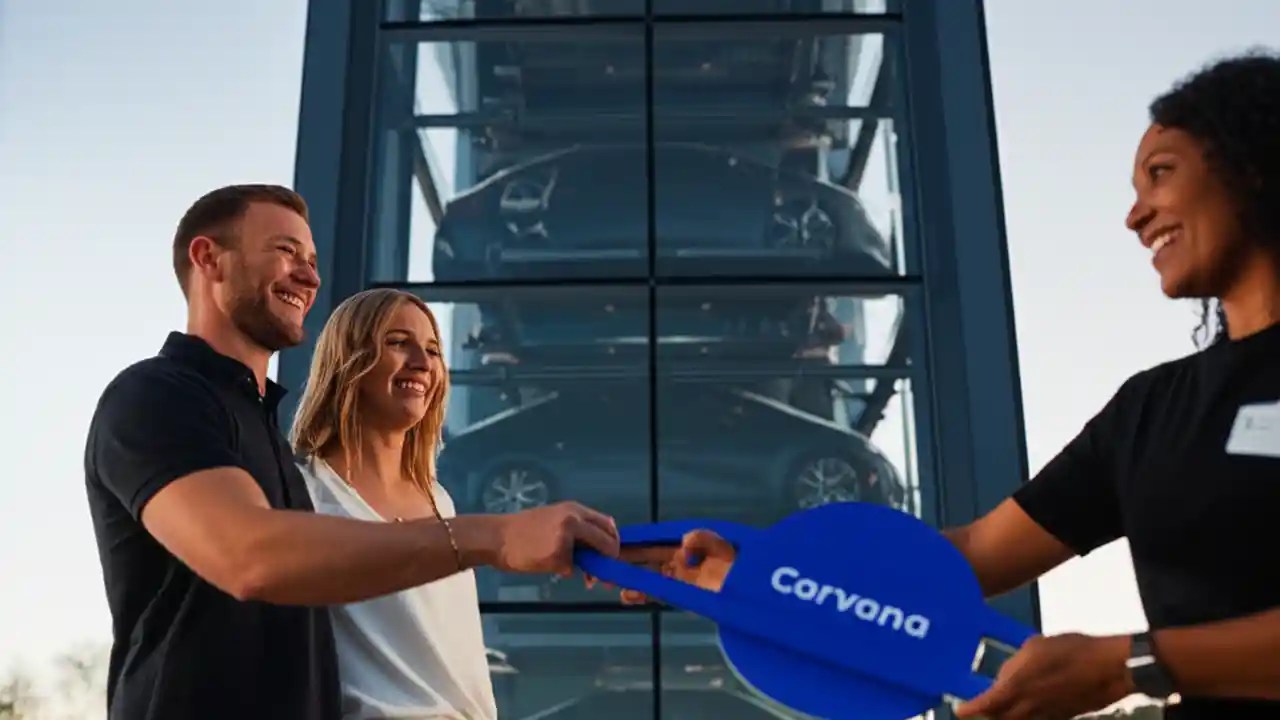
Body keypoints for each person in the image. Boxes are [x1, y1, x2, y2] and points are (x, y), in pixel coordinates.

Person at [620, 50, 1280, 720]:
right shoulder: (1153, 410)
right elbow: (968, 559)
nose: (1135, 217)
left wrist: (1129, 664)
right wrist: (755, 574)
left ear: (1253, 163)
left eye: (1160, 174)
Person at [83, 184, 621, 720]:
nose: (311, 276)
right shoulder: (154, 396)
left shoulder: (268, 439)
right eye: (286, 251)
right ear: (209, 259)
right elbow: (249, 556)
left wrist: (610, 554)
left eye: (312, 260)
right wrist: (494, 537)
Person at [288, 287, 495, 719]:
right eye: (398, 343)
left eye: (433, 349)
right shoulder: (303, 493)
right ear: (350, 359)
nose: (422, 361)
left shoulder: (440, 501)